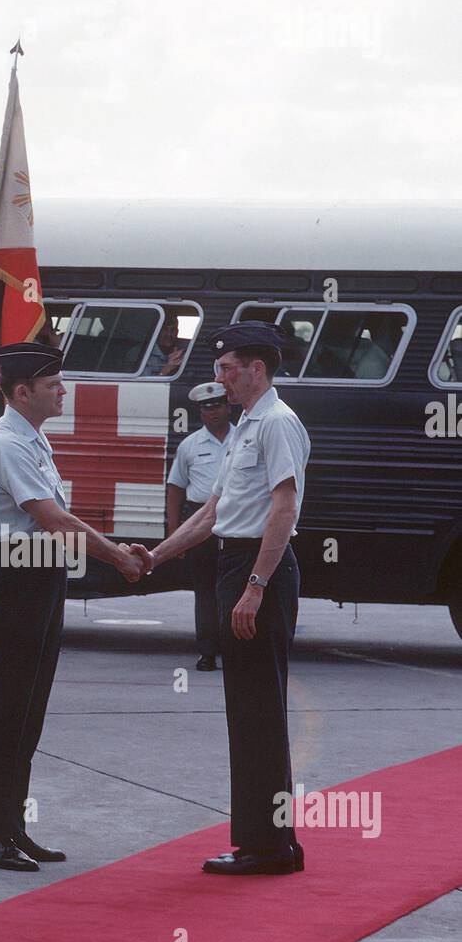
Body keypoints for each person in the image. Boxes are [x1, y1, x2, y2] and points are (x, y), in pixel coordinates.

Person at [133, 322, 311, 877]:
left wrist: (256, 585)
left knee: (259, 709)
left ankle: (269, 848)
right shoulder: (245, 427)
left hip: (260, 566)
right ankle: (268, 840)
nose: (220, 378)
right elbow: (212, 512)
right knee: (248, 709)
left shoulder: (277, 423)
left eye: (227, 368)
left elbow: (284, 508)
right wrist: (155, 557)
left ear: (257, 369)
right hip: (238, 562)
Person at [0, 341, 146, 872]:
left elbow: (60, 524)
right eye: (53, 386)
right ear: (22, 392)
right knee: (7, 708)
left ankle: (13, 825)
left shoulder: (34, 440)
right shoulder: (6, 444)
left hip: (41, 574)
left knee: (29, 709)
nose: (63, 392)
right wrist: (117, 555)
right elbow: (55, 520)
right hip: (15, 575)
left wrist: (110, 548)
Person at [166, 381, 235, 671]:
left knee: (234, 589)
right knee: (205, 591)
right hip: (198, 519)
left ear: (228, 406)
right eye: (206, 409)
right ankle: (207, 651)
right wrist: (174, 533)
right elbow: (175, 488)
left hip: (235, 519)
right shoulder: (190, 445)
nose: (212, 413)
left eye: (217, 406)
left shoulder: (245, 439)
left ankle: (234, 651)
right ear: (200, 413)